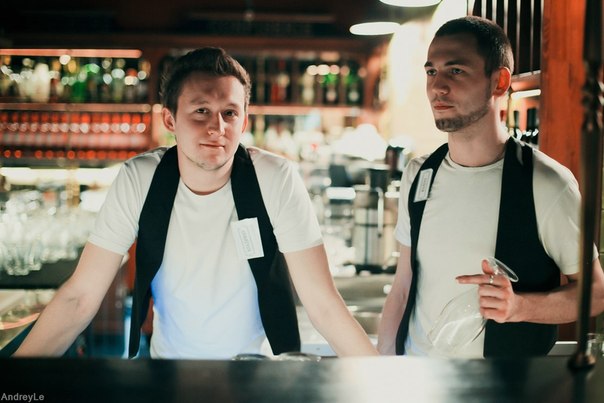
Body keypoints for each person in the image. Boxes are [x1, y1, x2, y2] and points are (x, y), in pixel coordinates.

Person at [14, 47, 378, 359]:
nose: (217, 127)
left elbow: (323, 303)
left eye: (230, 113)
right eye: (201, 110)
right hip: (168, 372)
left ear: (244, 121)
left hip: (259, 372)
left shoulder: (275, 179)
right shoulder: (140, 179)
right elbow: (79, 297)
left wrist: (384, 382)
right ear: (170, 118)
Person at [378, 16, 604, 358]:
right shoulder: (419, 174)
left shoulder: (545, 183)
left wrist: (520, 307)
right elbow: (402, 287)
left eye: (456, 71)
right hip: (419, 378)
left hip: (502, 382)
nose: (437, 87)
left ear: (500, 81)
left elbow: (596, 293)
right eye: (431, 72)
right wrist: (382, 366)